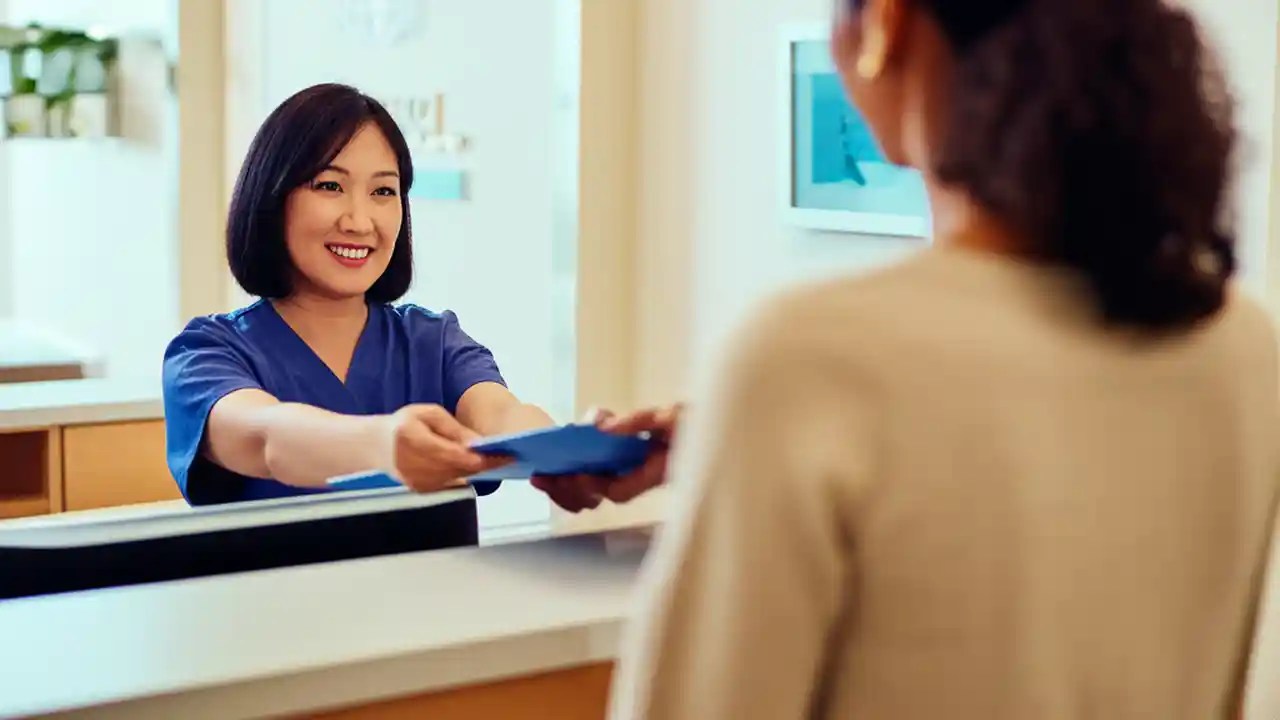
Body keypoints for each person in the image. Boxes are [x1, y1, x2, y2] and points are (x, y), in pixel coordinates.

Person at [608, 0, 1280, 718]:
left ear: (887, 25)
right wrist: (733, 444)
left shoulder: (813, 357)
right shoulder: (1243, 349)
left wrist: (761, 430)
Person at [163, 84, 554, 531]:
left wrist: (571, 452)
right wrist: (385, 446)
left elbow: (501, 415)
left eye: (383, 191)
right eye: (330, 186)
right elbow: (268, 438)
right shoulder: (206, 354)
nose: (359, 221)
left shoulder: (434, 341)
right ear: (272, 197)